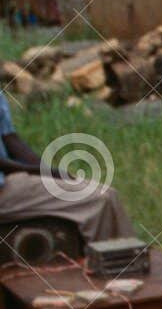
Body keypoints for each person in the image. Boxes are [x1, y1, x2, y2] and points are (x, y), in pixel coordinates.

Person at [0, 85, 134, 242]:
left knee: (108, 194)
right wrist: (39, 172)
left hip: (9, 181)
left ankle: (121, 259)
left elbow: (10, 139)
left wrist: (49, 171)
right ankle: (108, 262)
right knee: (98, 201)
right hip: (4, 188)